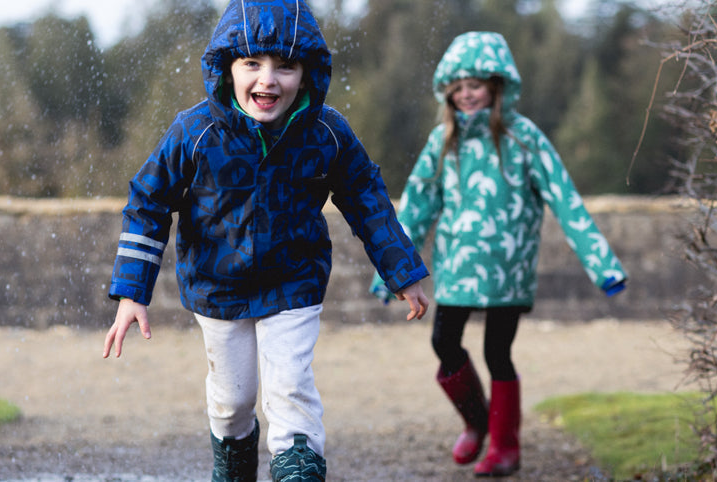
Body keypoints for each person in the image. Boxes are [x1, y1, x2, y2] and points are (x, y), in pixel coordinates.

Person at [102, 1, 430, 480]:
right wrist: (132, 291)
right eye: (252, 63)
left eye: (286, 66)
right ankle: (234, 462)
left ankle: (298, 467)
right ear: (227, 68)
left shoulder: (326, 133)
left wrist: (402, 270)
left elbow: (366, 197)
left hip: (293, 282)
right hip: (217, 285)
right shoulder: (196, 131)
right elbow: (149, 201)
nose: (268, 80)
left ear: (308, 72)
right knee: (233, 402)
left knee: (290, 390)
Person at [371, 31, 627, 477]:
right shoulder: (443, 140)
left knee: (497, 353)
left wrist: (603, 265)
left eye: (475, 84)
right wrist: (391, 270)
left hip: (508, 269)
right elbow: (415, 207)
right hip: (457, 266)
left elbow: (565, 200)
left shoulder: (524, 137)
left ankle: (505, 446)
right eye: (457, 87)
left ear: (497, 85)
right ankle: (477, 421)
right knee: (443, 342)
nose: (466, 94)